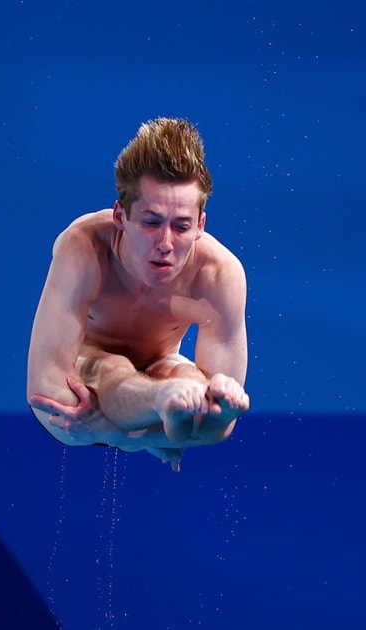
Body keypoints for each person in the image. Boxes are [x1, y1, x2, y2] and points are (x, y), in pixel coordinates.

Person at [26, 118, 250, 471]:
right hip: (93, 367)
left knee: (194, 385)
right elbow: (45, 392)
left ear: (201, 226)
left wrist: (114, 431)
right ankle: (165, 402)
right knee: (113, 369)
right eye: (151, 222)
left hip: (162, 366)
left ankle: (172, 401)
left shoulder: (219, 273)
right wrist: (141, 437)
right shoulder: (83, 249)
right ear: (120, 216)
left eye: (181, 226)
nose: (165, 244)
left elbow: (222, 428)